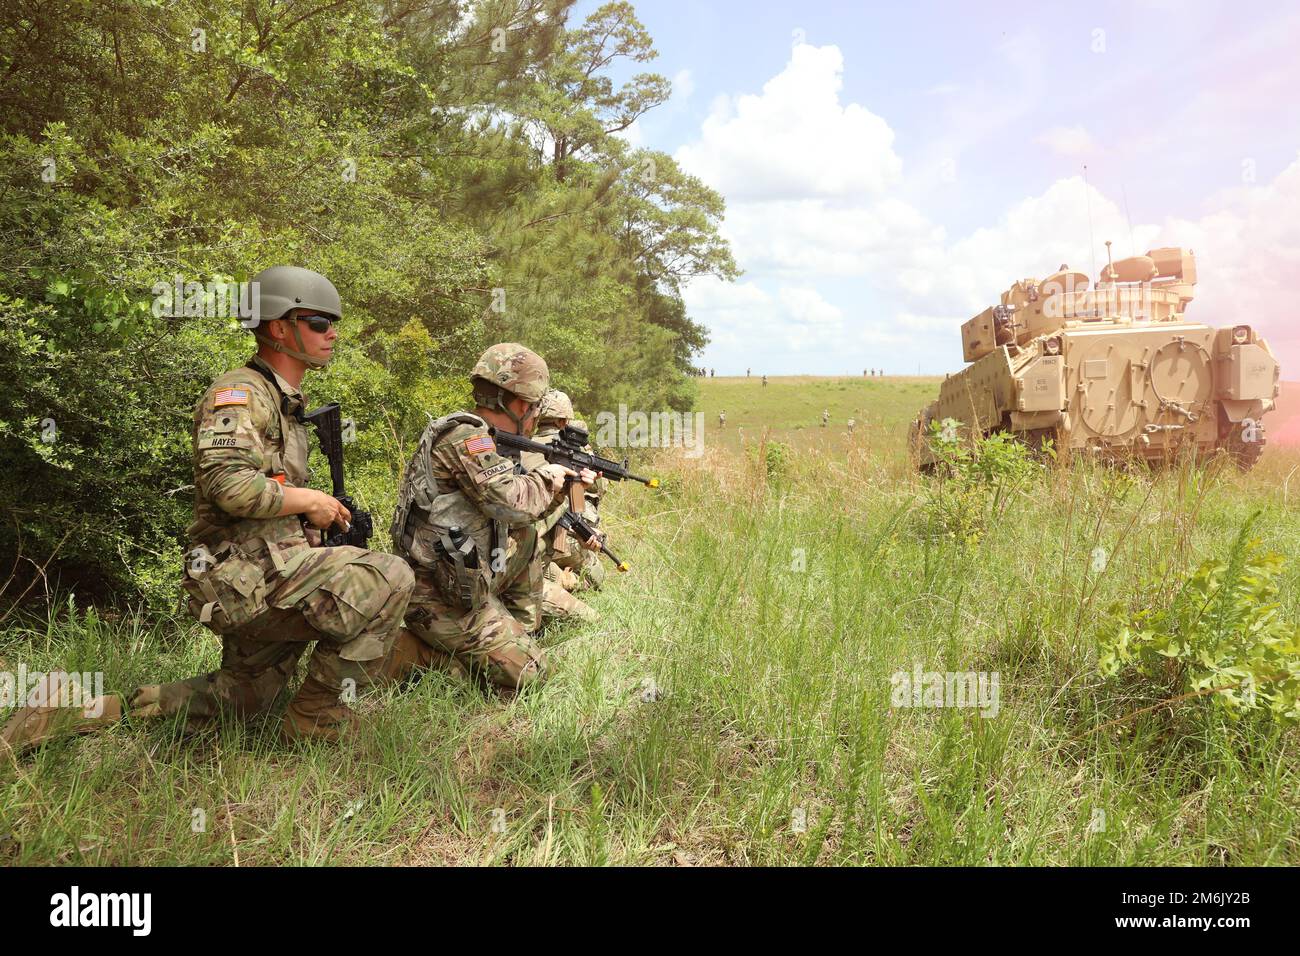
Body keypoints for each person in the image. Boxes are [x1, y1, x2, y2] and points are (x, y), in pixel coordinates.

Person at [2, 266, 416, 752]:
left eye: (332, 323)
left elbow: (262, 495)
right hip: (243, 577)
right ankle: (318, 720)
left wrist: (309, 522)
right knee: (390, 576)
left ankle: (70, 710)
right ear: (279, 327)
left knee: (243, 698)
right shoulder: (239, 394)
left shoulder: (281, 401)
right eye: (319, 322)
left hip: (264, 568)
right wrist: (313, 501)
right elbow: (228, 486)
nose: (332, 333)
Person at [380, 344, 597, 693]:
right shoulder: (468, 438)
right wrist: (549, 477)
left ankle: (514, 637)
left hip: (467, 577)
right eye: (535, 406)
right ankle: (414, 655)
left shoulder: (490, 439)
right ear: (522, 404)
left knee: (525, 536)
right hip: (434, 591)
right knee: (532, 677)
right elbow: (509, 503)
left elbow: (516, 519)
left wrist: (560, 488)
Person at [523, 391, 606, 624]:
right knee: (595, 574)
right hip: (553, 543)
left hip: (527, 546)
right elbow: (587, 498)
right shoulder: (574, 452)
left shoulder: (519, 445)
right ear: (564, 421)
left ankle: (559, 580)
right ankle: (570, 583)